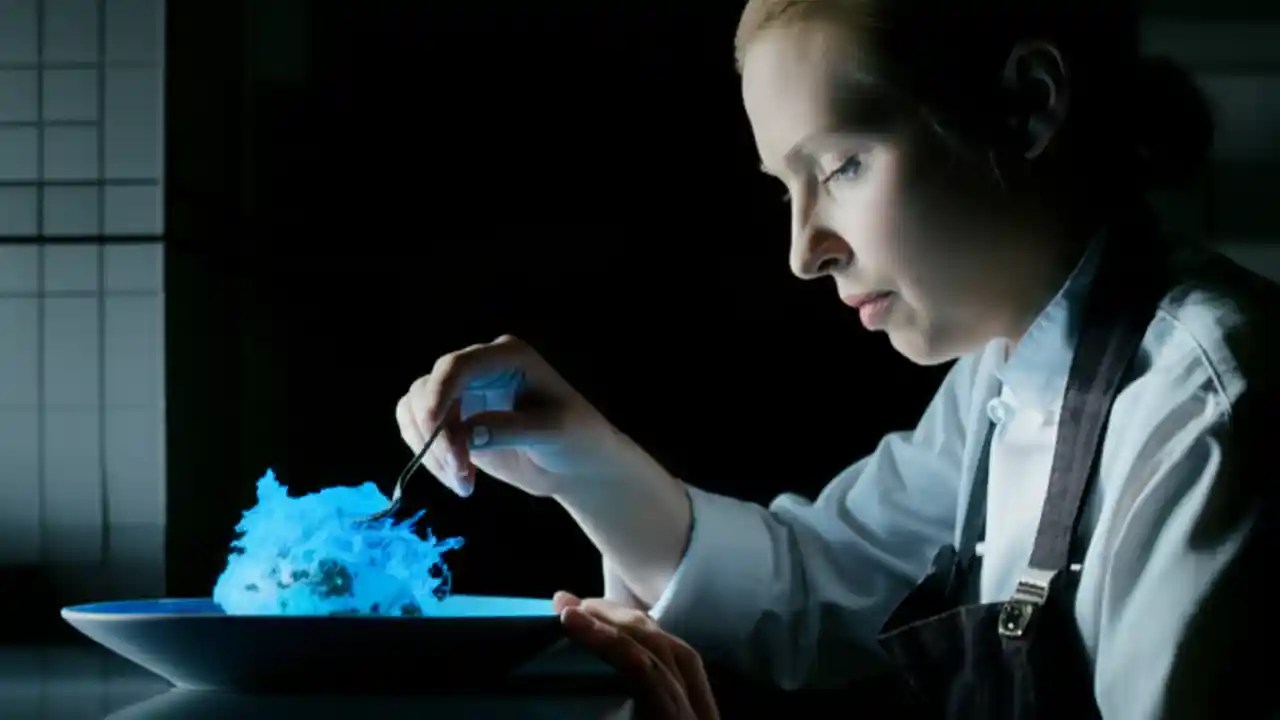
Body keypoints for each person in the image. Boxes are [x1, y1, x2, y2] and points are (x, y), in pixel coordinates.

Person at [395, 1, 1280, 717]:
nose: (804, 250)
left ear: (1029, 106)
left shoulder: (1203, 411)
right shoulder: (1006, 373)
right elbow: (817, 581)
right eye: (788, 187)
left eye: (844, 166)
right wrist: (579, 461)